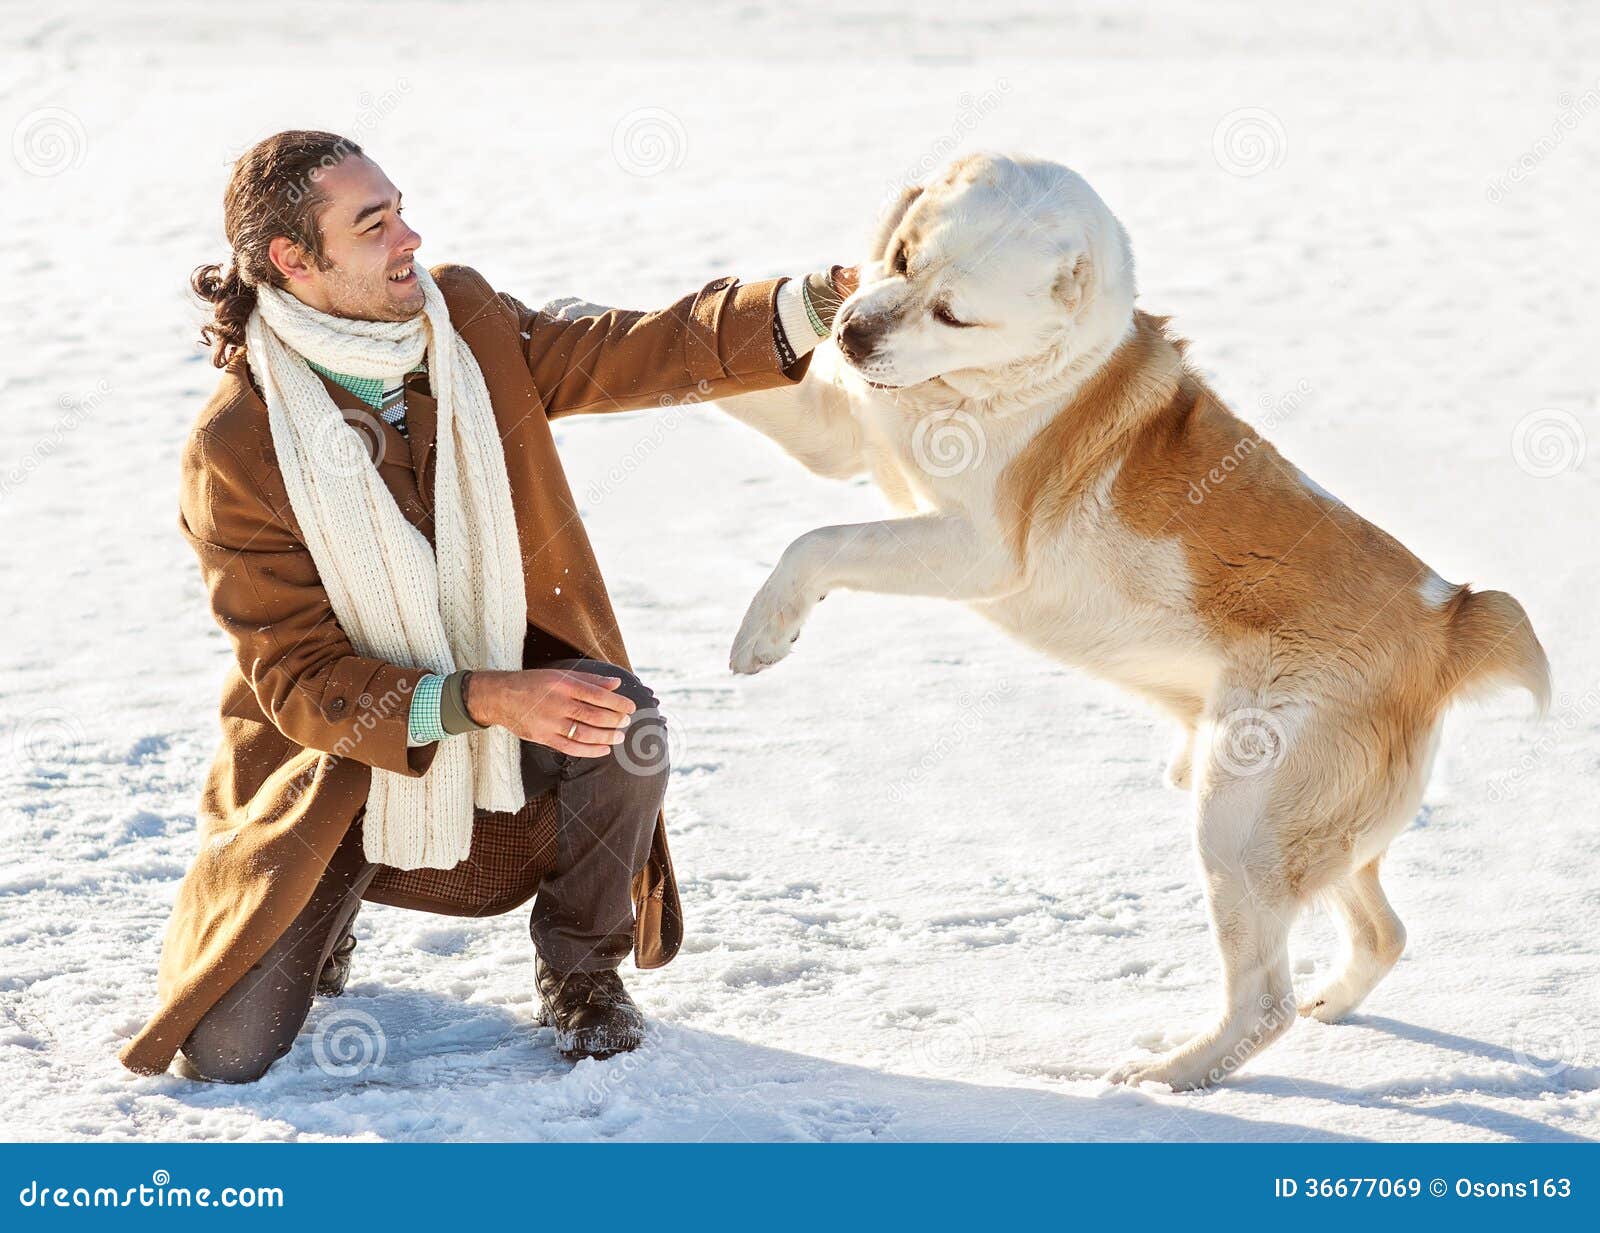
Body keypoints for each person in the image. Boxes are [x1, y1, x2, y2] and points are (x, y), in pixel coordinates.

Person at [117, 129, 855, 1082]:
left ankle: (583, 973)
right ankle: (325, 901)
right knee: (229, 1051)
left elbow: (631, 349)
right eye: (374, 224)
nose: (409, 238)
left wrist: (823, 298)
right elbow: (300, 680)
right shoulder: (235, 445)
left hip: (496, 717)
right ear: (294, 260)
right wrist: (490, 697)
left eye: (403, 211)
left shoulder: (461, 323)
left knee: (619, 723)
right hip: (332, 756)